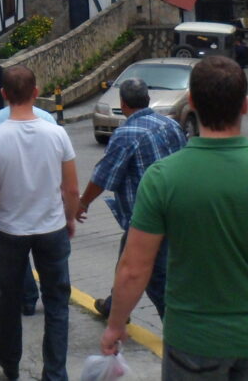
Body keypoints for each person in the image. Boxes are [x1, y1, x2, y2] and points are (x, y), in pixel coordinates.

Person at [100, 55, 248, 381]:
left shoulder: (162, 179)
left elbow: (134, 269)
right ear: (245, 105)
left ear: (191, 103)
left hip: (192, 340)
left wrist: (116, 325)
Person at [0, 66, 79, 381]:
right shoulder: (57, 133)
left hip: (10, 232)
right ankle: (56, 373)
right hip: (51, 228)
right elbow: (71, 188)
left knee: (9, 299)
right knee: (57, 303)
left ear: (3, 95)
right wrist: (70, 217)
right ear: (36, 93)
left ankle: (10, 362)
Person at [76, 76, 186, 320]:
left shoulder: (126, 134)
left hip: (147, 220)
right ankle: (116, 306)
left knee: (154, 277)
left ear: (123, 104)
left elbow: (103, 176)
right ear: (147, 100)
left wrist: (82, 203)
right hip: (176, 213)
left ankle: (178, 330)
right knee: (128, 259)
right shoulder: (172, 125)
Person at [0, 99, 56, 316]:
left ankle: (27, 299)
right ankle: (53, 298)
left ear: (3, 93)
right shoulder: (48, 119)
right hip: (45, 199)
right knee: (47, 253)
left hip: (12, 198)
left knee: (19, 252)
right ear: (35, 92)